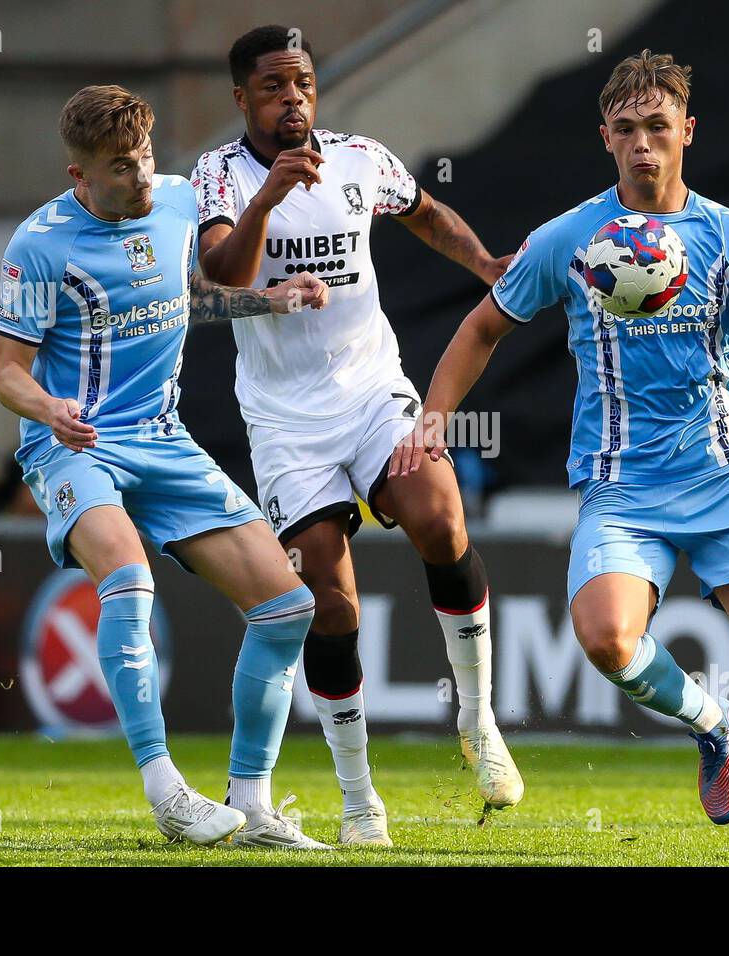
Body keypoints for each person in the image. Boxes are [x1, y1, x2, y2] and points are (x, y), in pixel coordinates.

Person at [391, 50, 729, 862]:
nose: (643, 145)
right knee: (603, 638)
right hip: (622, 486)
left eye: (658, 128)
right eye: (626, 130)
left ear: (687, 132)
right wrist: (435, 415)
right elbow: (484, 324)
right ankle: (711, 720)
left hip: (724, 474)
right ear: (606, 138)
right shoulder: (573, 238)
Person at [194, 25, 523, 846]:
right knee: (329, 604)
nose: (292, 97)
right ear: (243, 99)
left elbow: (424, 212)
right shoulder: (219, 176)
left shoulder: (358, 157)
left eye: (301, 82)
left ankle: (479, 723)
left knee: (441, 518)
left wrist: (483, 264)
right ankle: (358, 799)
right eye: (273, 86)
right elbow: (222, 278)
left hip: (374, 392)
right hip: (285, 424)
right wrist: (268, 197)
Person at [0, 84, 333, 849]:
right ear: (78, 175)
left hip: (163, 438)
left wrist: (266, 302)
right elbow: (7, 373)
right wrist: (48, 410)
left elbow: (193, 297)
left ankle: (250, 804)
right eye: (119, 168)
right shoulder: (38, 245)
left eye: (144, 159)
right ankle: (166, 790)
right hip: (74, 445)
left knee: (288, 608)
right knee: (129, 580)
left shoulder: (179, 203)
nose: (140, 179)